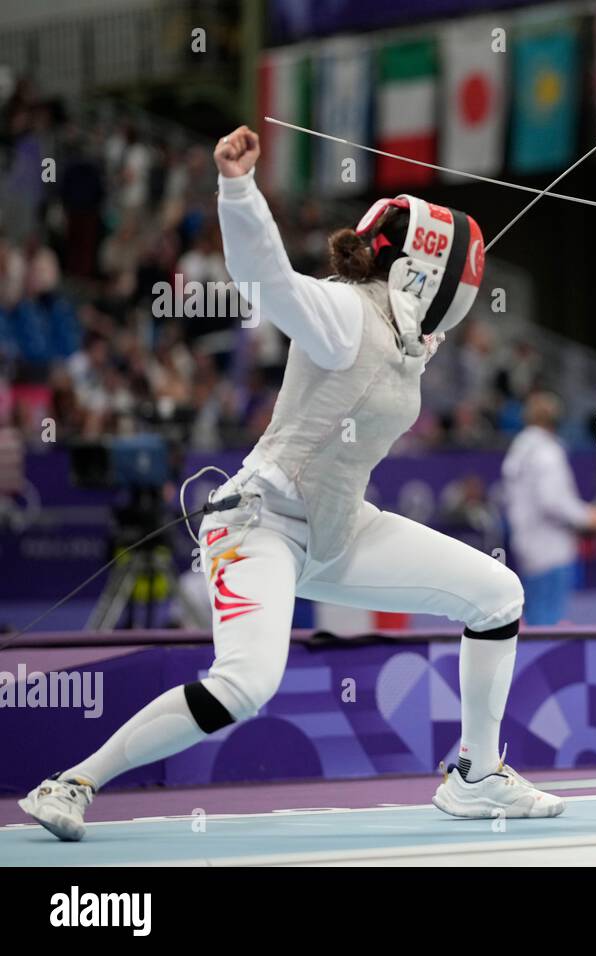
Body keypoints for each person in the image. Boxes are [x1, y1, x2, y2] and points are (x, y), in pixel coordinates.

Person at [19, 126, 563, 841]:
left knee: (497, 595)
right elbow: (267, 281)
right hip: (261, 527)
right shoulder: (342, 314)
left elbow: (388, 358)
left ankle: (476, 776)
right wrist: (238, 191)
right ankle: (73, 781)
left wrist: (414, 345)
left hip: (340, 532)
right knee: (246, 683)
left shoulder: (404, 340)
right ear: (427, 272)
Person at [502, 391, 596, 625]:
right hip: (550, 548)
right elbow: (552, 500)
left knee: (535, 618)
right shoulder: (546, 452)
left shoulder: (519, 450)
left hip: (528, 544)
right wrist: (588, 517)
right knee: (547, 625)